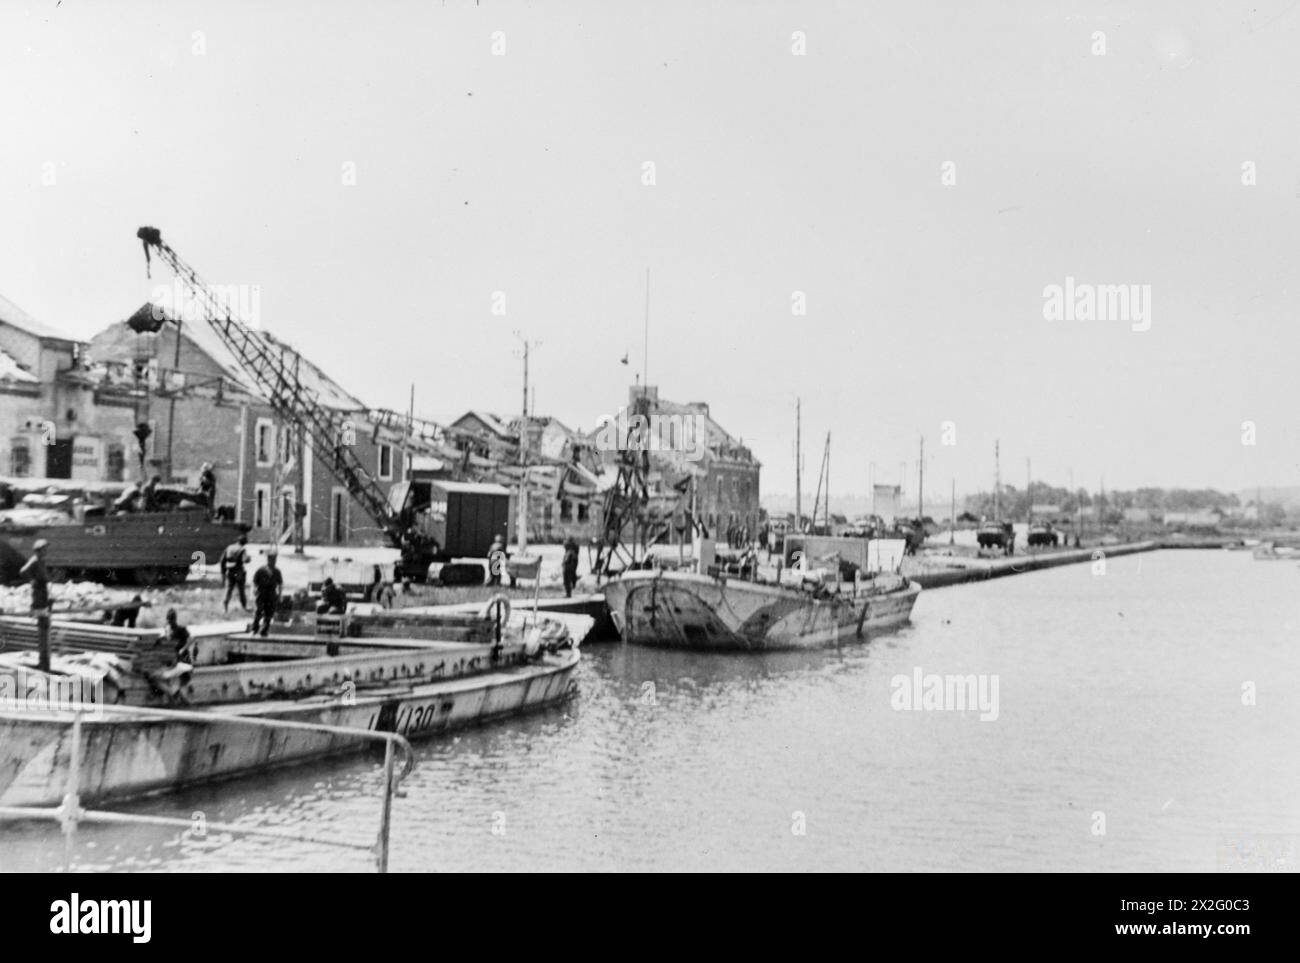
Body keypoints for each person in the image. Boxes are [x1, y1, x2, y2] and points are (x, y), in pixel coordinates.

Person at [21, 539, 51, 673]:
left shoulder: (41, 560)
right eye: (44, 549)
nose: (46, 551)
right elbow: (23, 571)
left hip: (42, 592)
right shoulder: (34, 560)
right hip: (38, 593)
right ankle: (43, 661)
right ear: (38, 550)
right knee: (42, 623)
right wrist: (32, 580)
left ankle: (43, 659)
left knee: (44, 621)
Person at [251, 551, 283, 637]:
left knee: (269, 613)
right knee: (258, 611)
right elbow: (254, 582)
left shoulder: (277, 571)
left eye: (274, 560)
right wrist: (254, 590)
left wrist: (280, 595)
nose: (273, 562)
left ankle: (264, 631)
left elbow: (280, 584)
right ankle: (254, 629)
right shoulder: (261, 570)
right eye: (272, 560)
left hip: (271, 594)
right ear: (268, 560)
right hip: (262, 592)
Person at [219, 534, 251, 611]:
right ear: (244, 543)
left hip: (230, 571)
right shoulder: (242, 549)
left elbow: (222, 560)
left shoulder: (229, 547)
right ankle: (244, 606)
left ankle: (225, 607)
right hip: (239, 571)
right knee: (241, 590)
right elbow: (245, 560)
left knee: (228, 589)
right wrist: (249, 558)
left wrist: (223, 572)